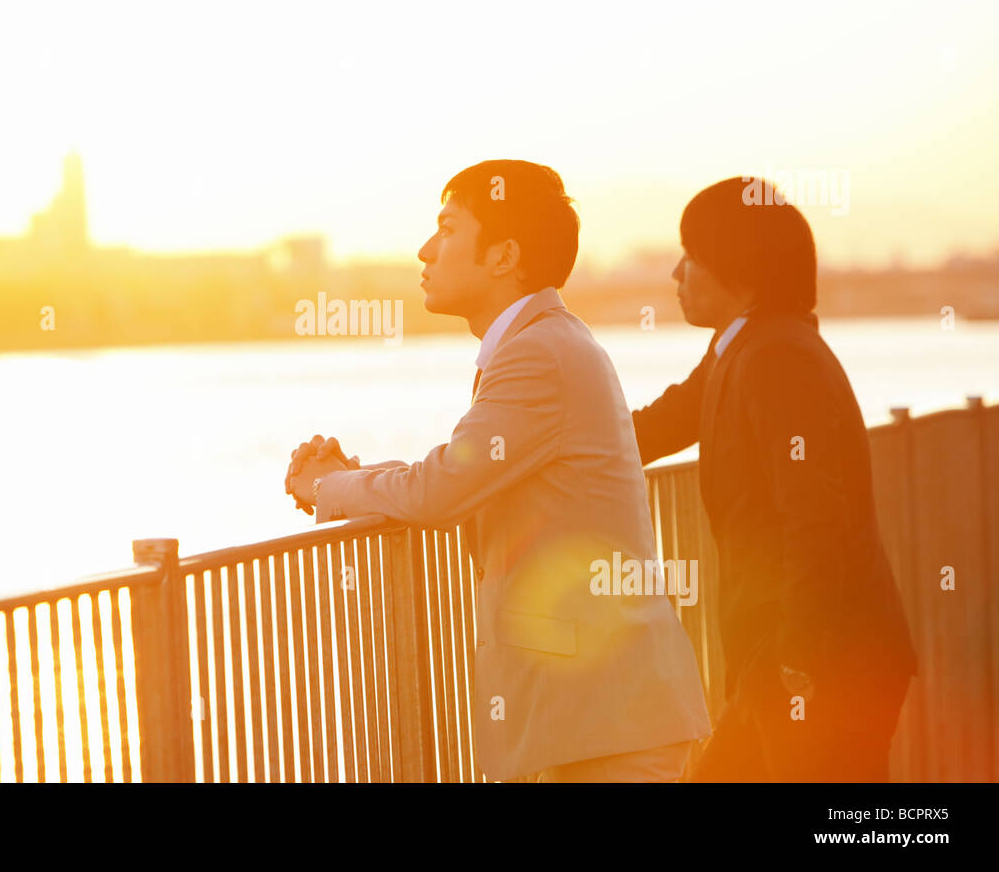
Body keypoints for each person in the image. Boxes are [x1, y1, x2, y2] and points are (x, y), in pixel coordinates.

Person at [285, 160, 711, 782]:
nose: (426, 250)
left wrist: (325, 485)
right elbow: (467, 475)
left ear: (504, 256)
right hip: (595, 720)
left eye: (448, 228)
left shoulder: (538, 353)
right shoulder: (545, 343)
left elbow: (439, 489)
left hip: (604, 723)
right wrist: (361, 479)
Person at [630, 177, 918, 781]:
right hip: (785, 664)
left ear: (736, 266)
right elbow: (655, 427)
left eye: (690, 257)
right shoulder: (742, 347)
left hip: (819, 669)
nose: (676, 276)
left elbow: (813, 514)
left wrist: (797, 661)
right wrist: (541, 449)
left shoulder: (777, 356)